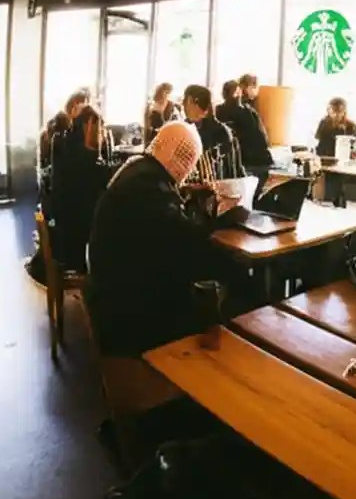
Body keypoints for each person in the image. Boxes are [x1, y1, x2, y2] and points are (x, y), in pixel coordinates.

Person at [85, 122, 242, 358]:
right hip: (131, 317)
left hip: (110, 296)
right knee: (224, 300)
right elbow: (187, 253)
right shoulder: (151, 190)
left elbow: (167, 236)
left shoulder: (138, 170)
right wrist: (233, 256)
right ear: (185, 160)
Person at [50, 106, 114, 270]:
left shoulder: (65, 148)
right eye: (100, 128)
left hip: (65, 230)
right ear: (90, 125)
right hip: (76, 237)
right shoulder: (85, 160)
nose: (102, 135)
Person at [215, 77, 273, 190]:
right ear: (238, 92)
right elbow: (259, 135)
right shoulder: (246, 111)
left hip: (235, 160)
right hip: (254, 160)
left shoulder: (218, 111)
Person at [181, 84, 242, 179]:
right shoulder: (184, 128)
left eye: (185, 101)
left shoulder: (220, 132)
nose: (182, 104)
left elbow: (231, 172)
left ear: (190, 101)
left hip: (217, 188)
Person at [142, 82, 178, 146]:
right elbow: (146, 128)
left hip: (169, 140)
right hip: (153, 140)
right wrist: (146, 144)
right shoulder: (150, 106)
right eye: (165, 92)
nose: (166, 95)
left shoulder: (172, 106)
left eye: (168, 93)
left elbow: (177, 124)